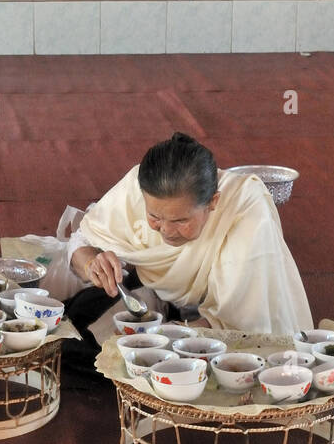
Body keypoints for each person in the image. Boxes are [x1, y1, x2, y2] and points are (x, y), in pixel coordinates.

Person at [56, 133, 312, 362]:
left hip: (208, 320)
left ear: (213, 202)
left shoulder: (245, 215)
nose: (166, 230)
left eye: (181, 221)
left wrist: (170, 335)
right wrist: (91, 264)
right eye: (154, 217)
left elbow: (240, 326)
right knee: (71, 333)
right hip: (154, 296)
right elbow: (83, 240)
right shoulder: (137, 186)